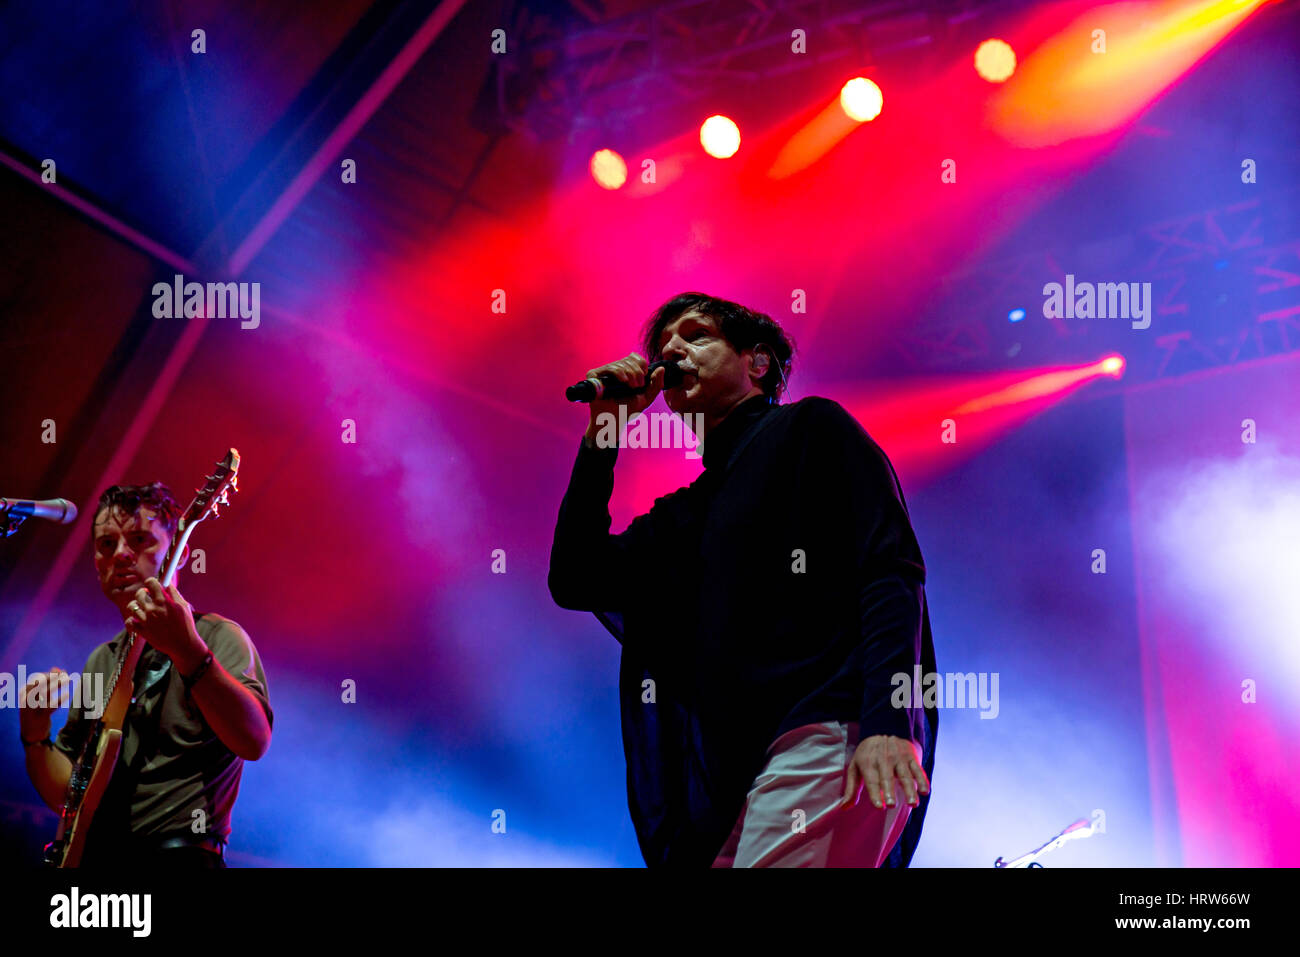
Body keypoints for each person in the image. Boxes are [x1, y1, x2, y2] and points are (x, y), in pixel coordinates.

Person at [549, 292, 938, 867]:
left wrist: (886, 720)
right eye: (664, 345)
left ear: (757, 363)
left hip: (829, 734)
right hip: (739, 783)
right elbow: (576, 579)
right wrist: (605, 431)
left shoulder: (812, 427)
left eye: (696, 334)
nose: (672, 349)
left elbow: (889, 570)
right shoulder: (688, 511)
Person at [19, 482, 272, 868]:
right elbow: (67, 797)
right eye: (106, 545)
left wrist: (189, 652)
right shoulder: (100, 661)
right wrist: (35, 731)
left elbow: (253, 741)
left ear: (180, 552)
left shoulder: (217, 635)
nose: (121, 555)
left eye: (140, 540)